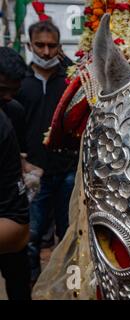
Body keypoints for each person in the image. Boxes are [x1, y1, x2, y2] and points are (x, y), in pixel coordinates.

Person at [15, 20, 77, 285]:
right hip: (34, 174)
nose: (46, 51)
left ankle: (66, 284)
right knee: (32, 235)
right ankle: (32, 284)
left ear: (59, 48)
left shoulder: (70, 80)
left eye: (52, 46)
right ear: (30, 46)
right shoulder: (19, 81)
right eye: (40, 45)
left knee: (69, 233)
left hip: (67, 170)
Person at [0, 47, 31, 300]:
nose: (8, 96)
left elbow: (18, 154)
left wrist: (25, 169)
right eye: (1, 89)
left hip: (10, 206)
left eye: (14, 90)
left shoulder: (14, 111)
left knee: (18, 281)